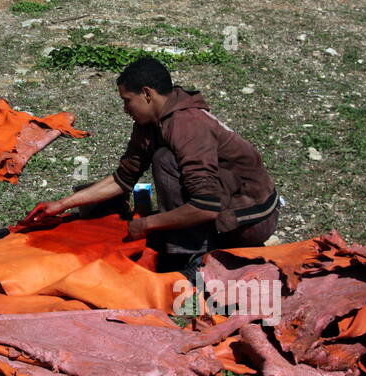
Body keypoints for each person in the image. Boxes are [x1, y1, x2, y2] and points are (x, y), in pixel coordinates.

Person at [23, 56, 279, 272]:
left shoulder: (187, 125)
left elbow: (206, 206)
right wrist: (62, 204)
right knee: (163, 161)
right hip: (222, 207)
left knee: (164, 159)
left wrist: (147, 224)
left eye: (127, 100)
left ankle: (189, 258)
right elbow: (123, 179)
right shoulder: (150, 123)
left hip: (248, 223)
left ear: (147, 93)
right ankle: (187, 244)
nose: (125, 108)